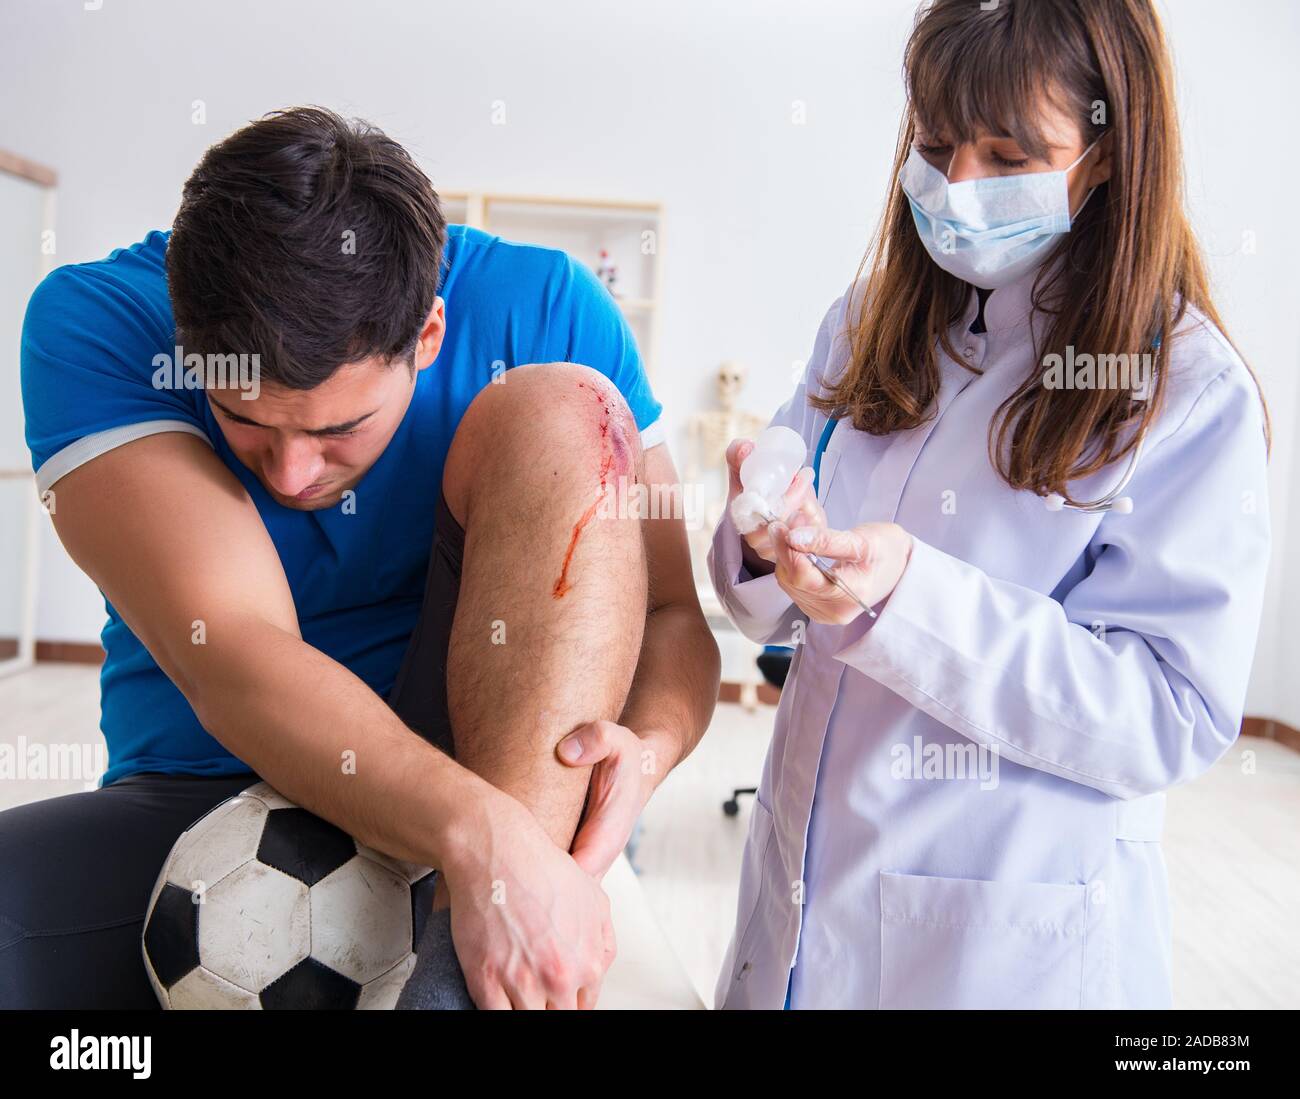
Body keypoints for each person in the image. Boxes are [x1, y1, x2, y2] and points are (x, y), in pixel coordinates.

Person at [3, 106, 719, 1010]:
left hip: (499, 781)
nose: (293, 471)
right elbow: (236, 654)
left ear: (428, 334)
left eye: (340, 428)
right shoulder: (96, 318)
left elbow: (672, 617)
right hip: (206, 792)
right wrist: (480, 830)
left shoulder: (546, 307)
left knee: (567, 410)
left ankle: (466, 985)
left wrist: (639, 757)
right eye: (247, 422)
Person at [711, 0, 1270, 1009]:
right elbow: (775, 598)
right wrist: (765, 541)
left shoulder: (1181, 390)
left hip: (997, 936)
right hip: (799, 896)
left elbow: (1168, 714)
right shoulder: (868, 321)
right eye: (933, 144)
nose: (957, 186)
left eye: (1010, 156)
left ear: (1103, 155)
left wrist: (908, 600)